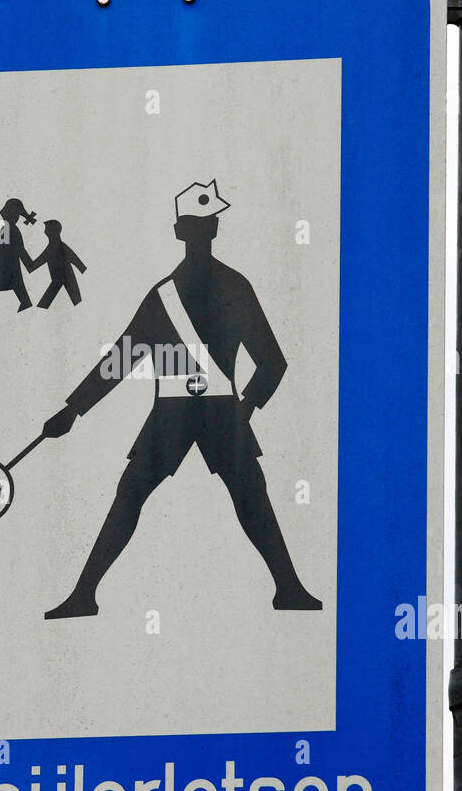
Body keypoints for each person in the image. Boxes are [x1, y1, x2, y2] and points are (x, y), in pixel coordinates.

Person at [41, 181, 322, 618]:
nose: (197, 233)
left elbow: (273, 362)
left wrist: (243, 409)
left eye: (201, 225)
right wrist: (73, 409)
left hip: (201, 412)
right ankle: (84, 595)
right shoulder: (188, 292)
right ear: (202, 230)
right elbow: (122, 357)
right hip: (191, 413)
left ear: (194, 231)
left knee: (247, 496)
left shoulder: (199, 290)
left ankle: (288, 588)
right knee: (137, 494)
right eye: (198, 225)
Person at [30, 219, 87, 307]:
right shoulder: (58, 246)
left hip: (65, 279)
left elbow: (33, 266)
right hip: (62, 280)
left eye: (46, 229)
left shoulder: (52, 248)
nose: (44, 231)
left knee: (77, 302)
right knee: (77, 301)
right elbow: (79, 264)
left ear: (52, 232)